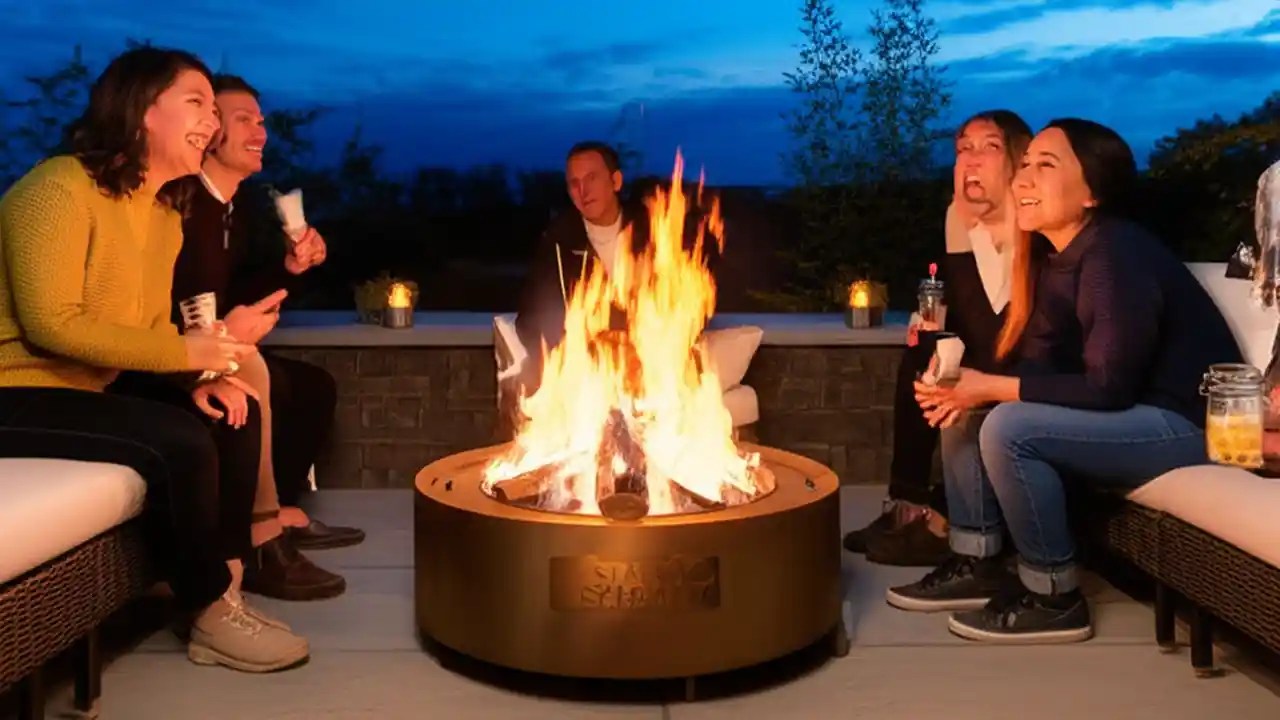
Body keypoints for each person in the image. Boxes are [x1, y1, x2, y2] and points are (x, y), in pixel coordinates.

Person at [0, 47, 308, 671]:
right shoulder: (57, 188)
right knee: (179, 439)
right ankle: (208, 610)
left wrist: (193, 378)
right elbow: (52, 324)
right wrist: (188, 352)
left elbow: (146, 332)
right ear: (143, 110)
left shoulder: (164, 214)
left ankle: (227, 591)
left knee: (233, 409)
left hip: (92, 387)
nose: (212, 122)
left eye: (214, 109)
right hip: (16, 391)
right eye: (197, 103)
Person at [886, 118, 1243, 643]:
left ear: (1092, 193)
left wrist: (991, 388)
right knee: (966, 403)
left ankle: (1054, 596)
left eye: (1046, 165)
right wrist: (967, 389)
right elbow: (1037, 367)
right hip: (1137, 415)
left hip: (1189, 425)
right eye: (1026, 163)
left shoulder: (1114, 254)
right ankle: (977, 559)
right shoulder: (1062, 258)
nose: (1024, 178)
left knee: (1009, 427)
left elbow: (1108, 387)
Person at [165, 73, 363, 600]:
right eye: (244, 120)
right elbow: (172, 306)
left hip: (216, 340)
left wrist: (289, 269)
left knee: (313, 386)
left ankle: (282, 507)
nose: (261, 132)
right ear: (210, 132)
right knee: (258, 375)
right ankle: (261, 532)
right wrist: (221, 337)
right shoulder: (181, 206)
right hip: (175, 354)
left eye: (261, 120)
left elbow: (239, 294)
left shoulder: (239, 207)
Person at [843, 110, 1036, 566]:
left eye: (989, 147)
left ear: (1018, 162)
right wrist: (931, 330)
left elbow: (1010, 330)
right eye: (963, 149)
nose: (971, 159)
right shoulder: (961, 219)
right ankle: (907, 502)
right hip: (990, 347)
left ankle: (943, 519)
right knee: (920, 352)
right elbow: (966, 304)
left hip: (1030, 365)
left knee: (946, 371)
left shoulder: (1038, 227)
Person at [513, 141, 719, 398]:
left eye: (592, 178)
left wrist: (646, 347)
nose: (583, 190)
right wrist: (577, 352)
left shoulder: (657, 231)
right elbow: (530, 321)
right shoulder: (557, 243)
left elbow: (693, 296)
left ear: (616, 181)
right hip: (587, 376)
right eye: (574, 183)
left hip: (651, 369)